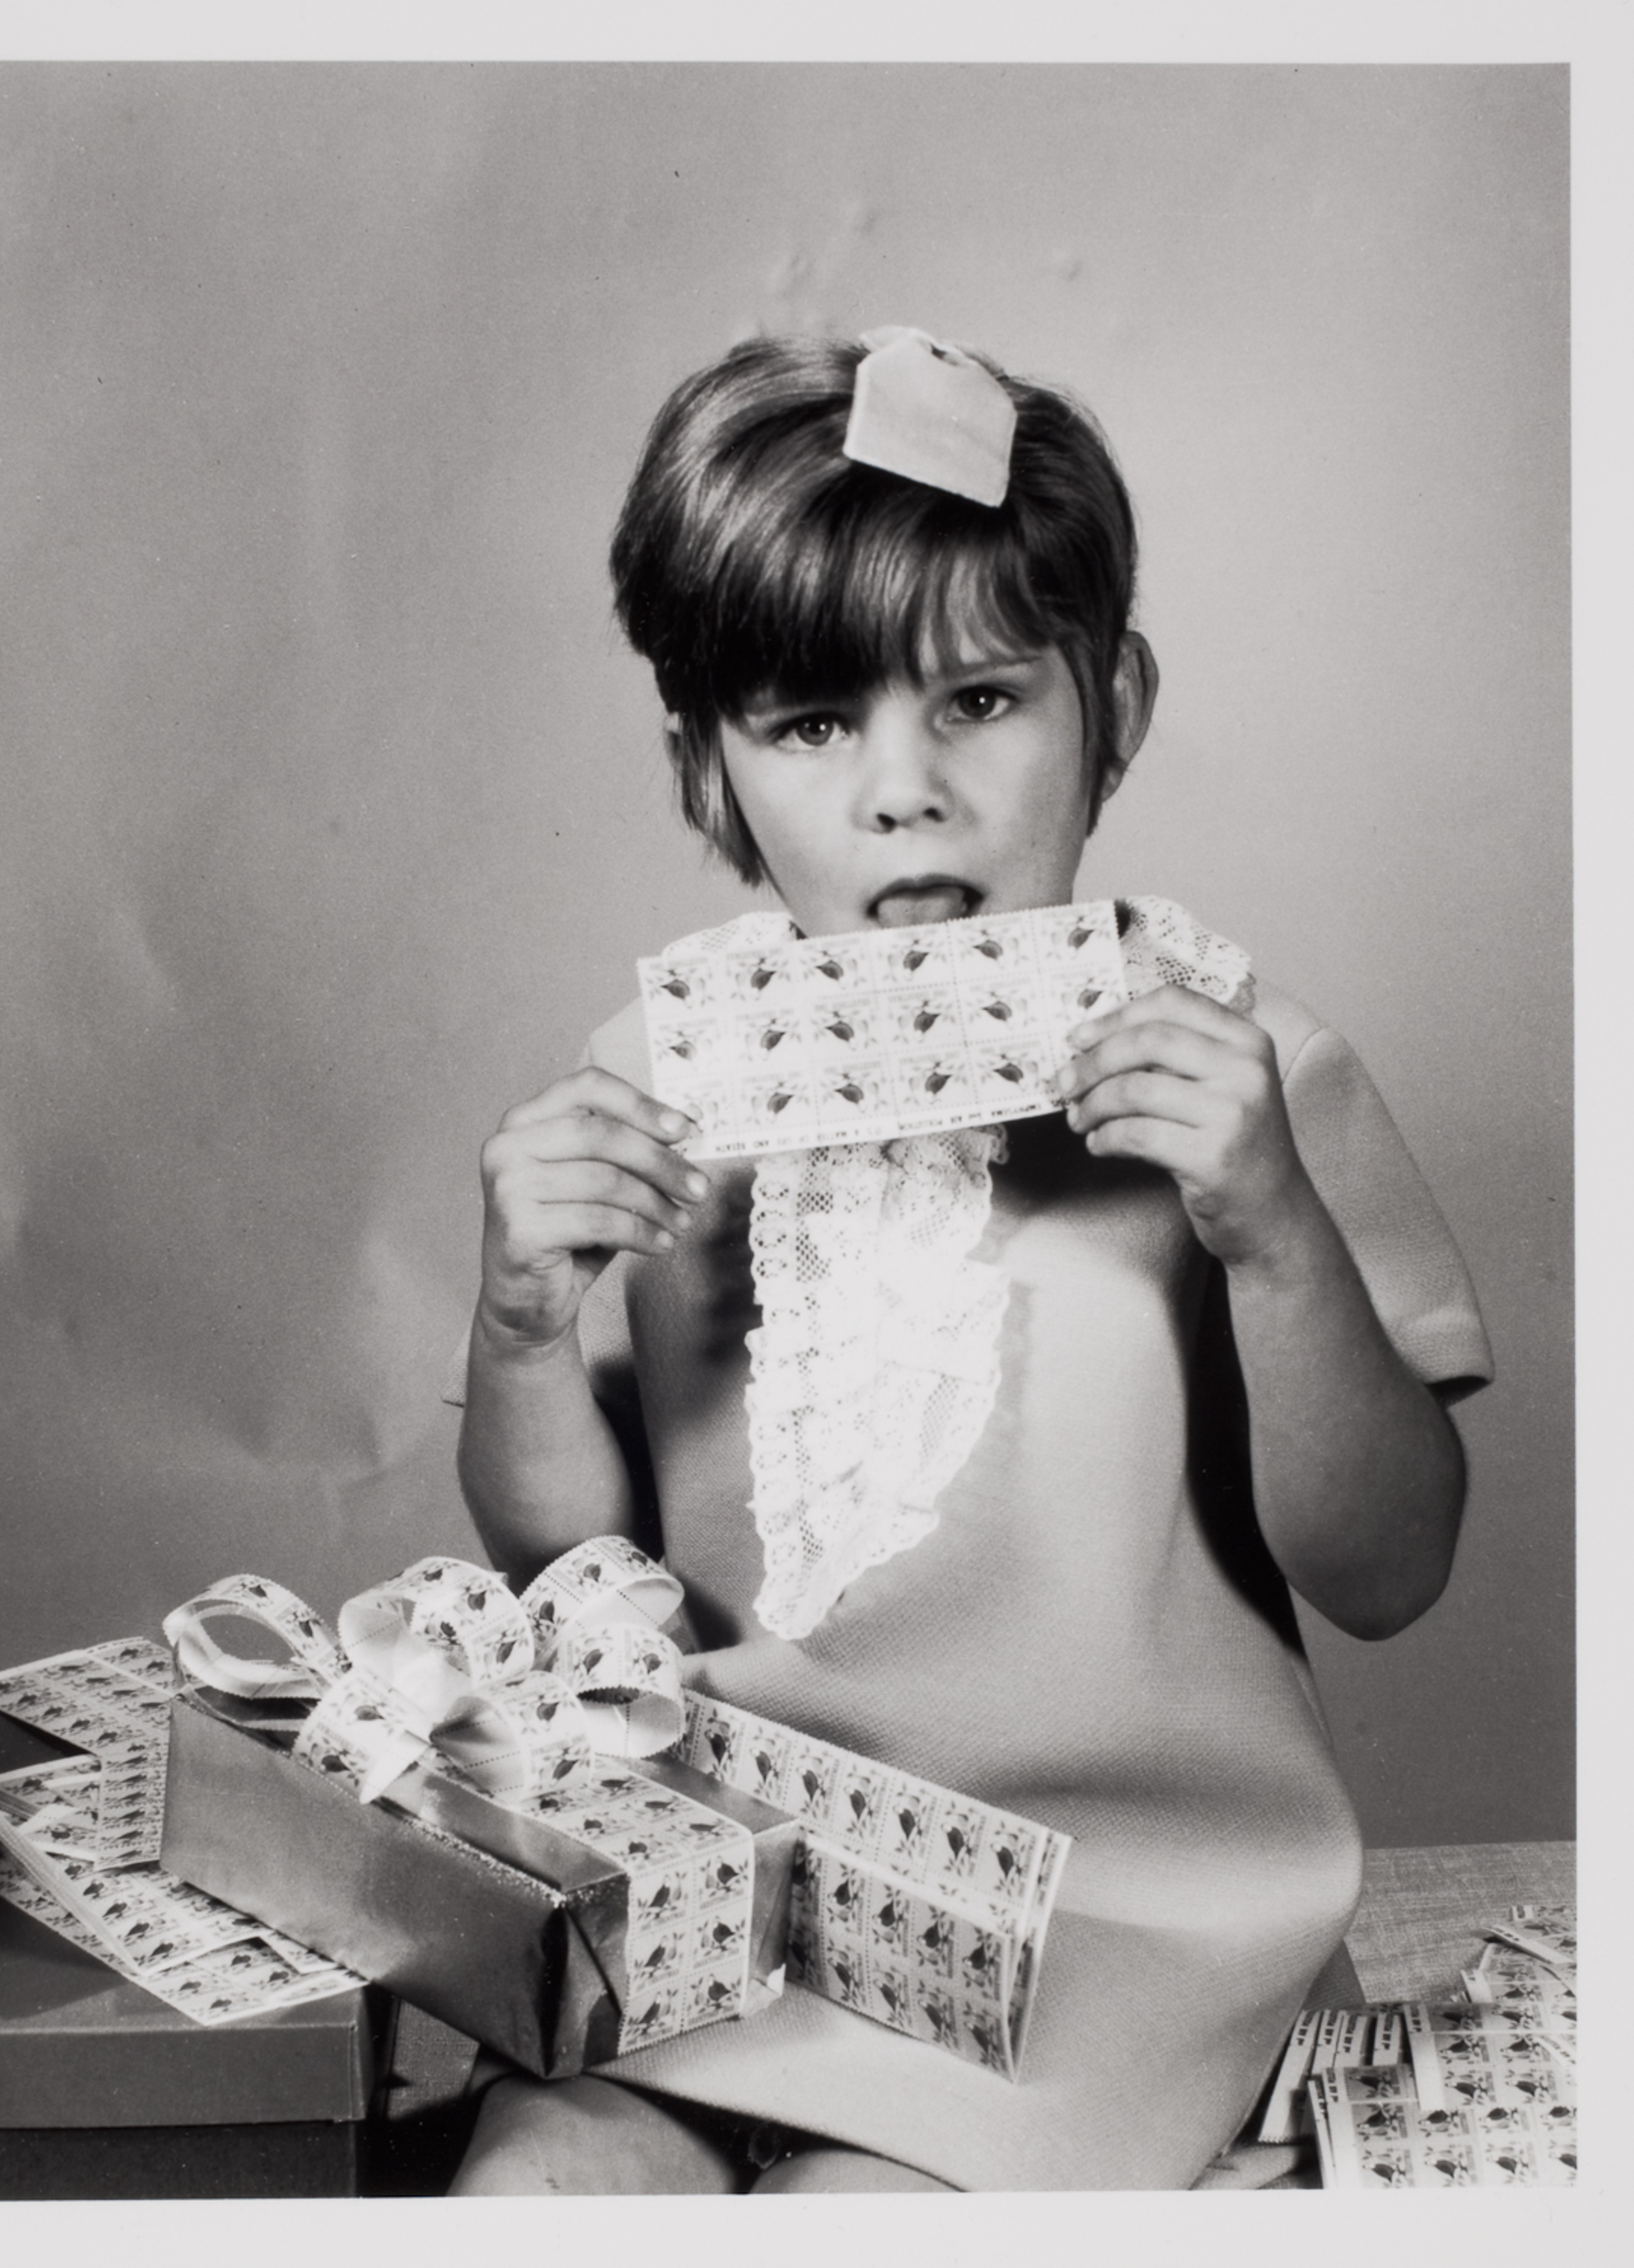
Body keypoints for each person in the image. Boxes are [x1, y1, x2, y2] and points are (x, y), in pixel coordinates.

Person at [447, 330, 1492, 2192]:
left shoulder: (1249, 1079)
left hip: (1107, 1934)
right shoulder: (659, 1082)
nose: (903, 791)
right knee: (524, 2192)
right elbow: (573, 1571)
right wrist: (523, 1323)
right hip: (727, 1879)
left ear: (1116, 705)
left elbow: (1391, 1568)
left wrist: (1273, 1233)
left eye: (981, 699)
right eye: (810, 725)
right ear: (707, 767)